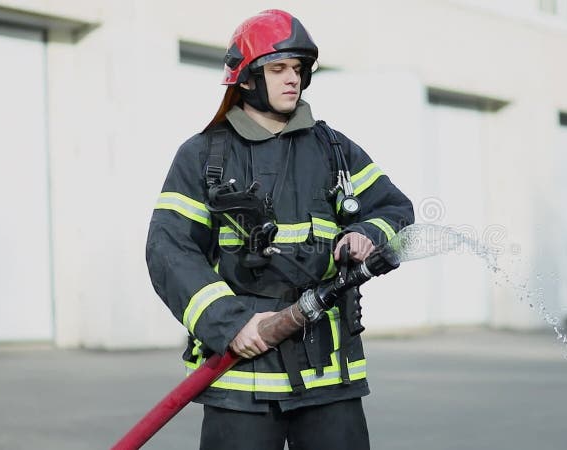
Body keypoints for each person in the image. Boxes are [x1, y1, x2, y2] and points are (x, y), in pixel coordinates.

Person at [146, 9, 414, 450]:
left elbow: (394, 208)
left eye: (298, 69)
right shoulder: (202, 156)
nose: (293, 78)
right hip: (240, 373)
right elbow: (169, 250)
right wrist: (229, 323)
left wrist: (367, 232)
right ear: (247, 78)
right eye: (278, 68)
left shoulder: (335, 151)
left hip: (329, 376)